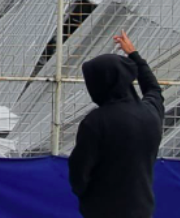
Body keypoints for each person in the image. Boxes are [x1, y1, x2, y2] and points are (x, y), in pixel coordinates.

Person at [69, 31, 165, 218]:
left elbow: (79, 170)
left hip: (102, 210)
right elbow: (153, 89)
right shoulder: (150, 113)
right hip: (141, 209)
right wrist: (134, 55)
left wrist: (86, 195)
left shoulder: (96, 121)